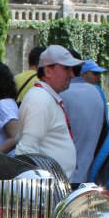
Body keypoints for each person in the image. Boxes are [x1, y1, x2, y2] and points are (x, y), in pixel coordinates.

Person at [15, 45, 80, 177]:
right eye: (66, 68)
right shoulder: (40, 99)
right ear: (48, 71)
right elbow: (26, 151)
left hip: (53, 188)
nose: (72, 74)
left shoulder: (44, 96)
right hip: (48, 191)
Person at [61, 58, 107, 182]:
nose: (98, 78)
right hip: (88, 172)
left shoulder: (62, 92)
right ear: (84, 73)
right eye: (95, 74)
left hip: (65, 173)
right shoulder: (98, 93)